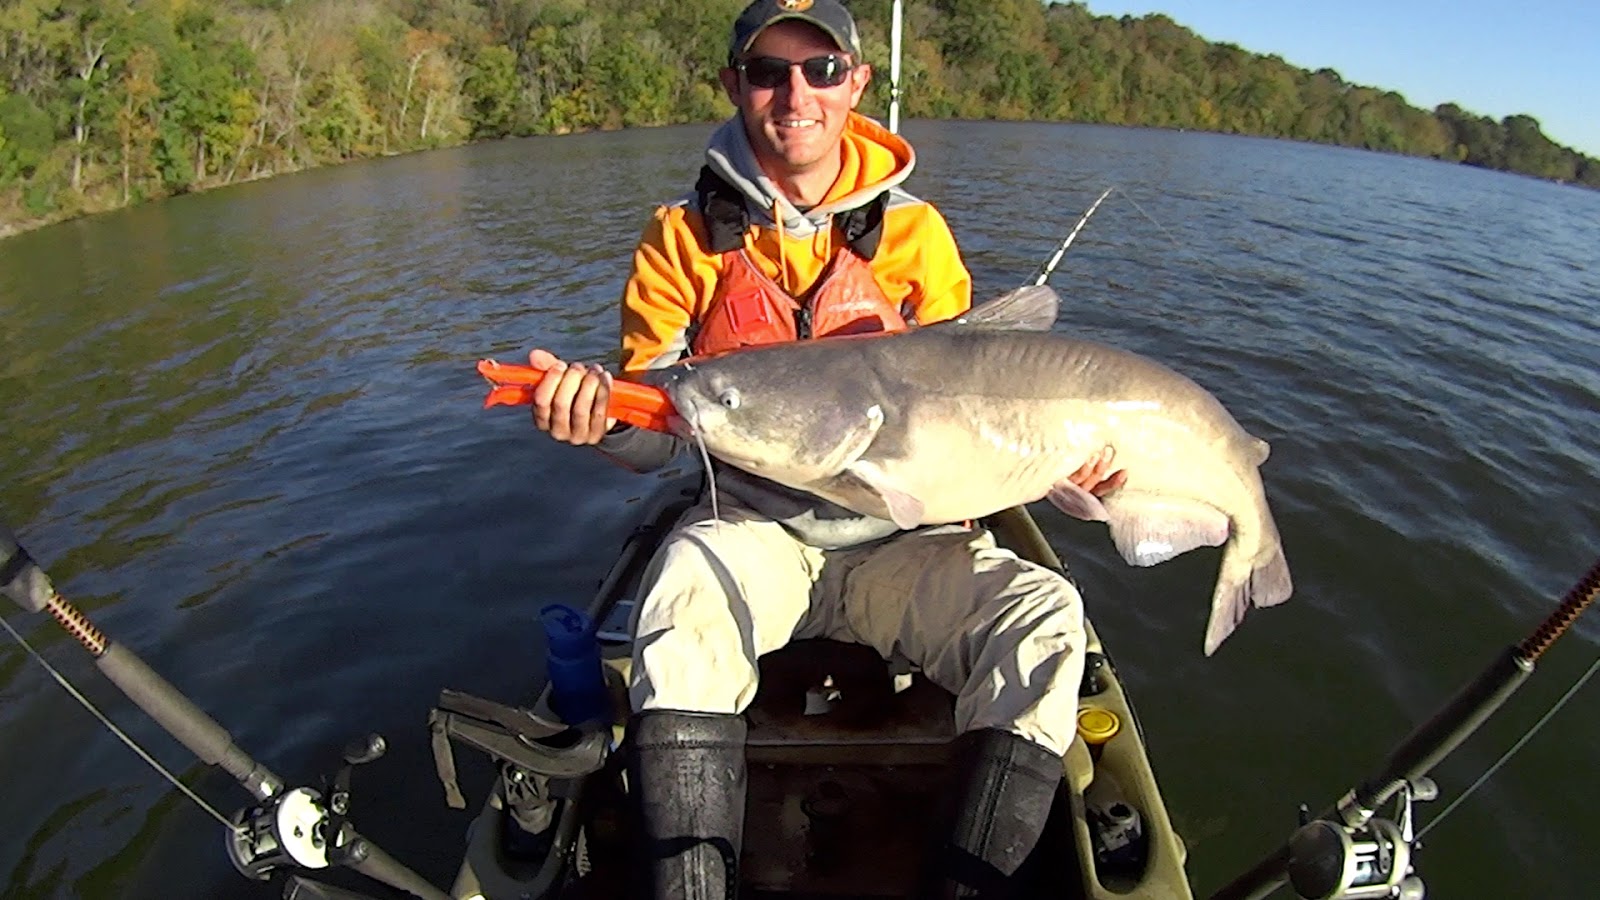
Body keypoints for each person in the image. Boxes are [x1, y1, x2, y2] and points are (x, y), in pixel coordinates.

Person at [529, 1, 1122, 896]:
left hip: (904, 540)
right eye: (767, 71)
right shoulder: (678, 239)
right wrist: (602, 417)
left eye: (820, 69)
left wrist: (1060, 460)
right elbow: (659, 426)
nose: (793, 92)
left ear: (856, 84)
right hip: (755, 532)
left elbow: (980, 403)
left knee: (1045, 618)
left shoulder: (916, 234)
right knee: (683, 590)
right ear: (735, 86)